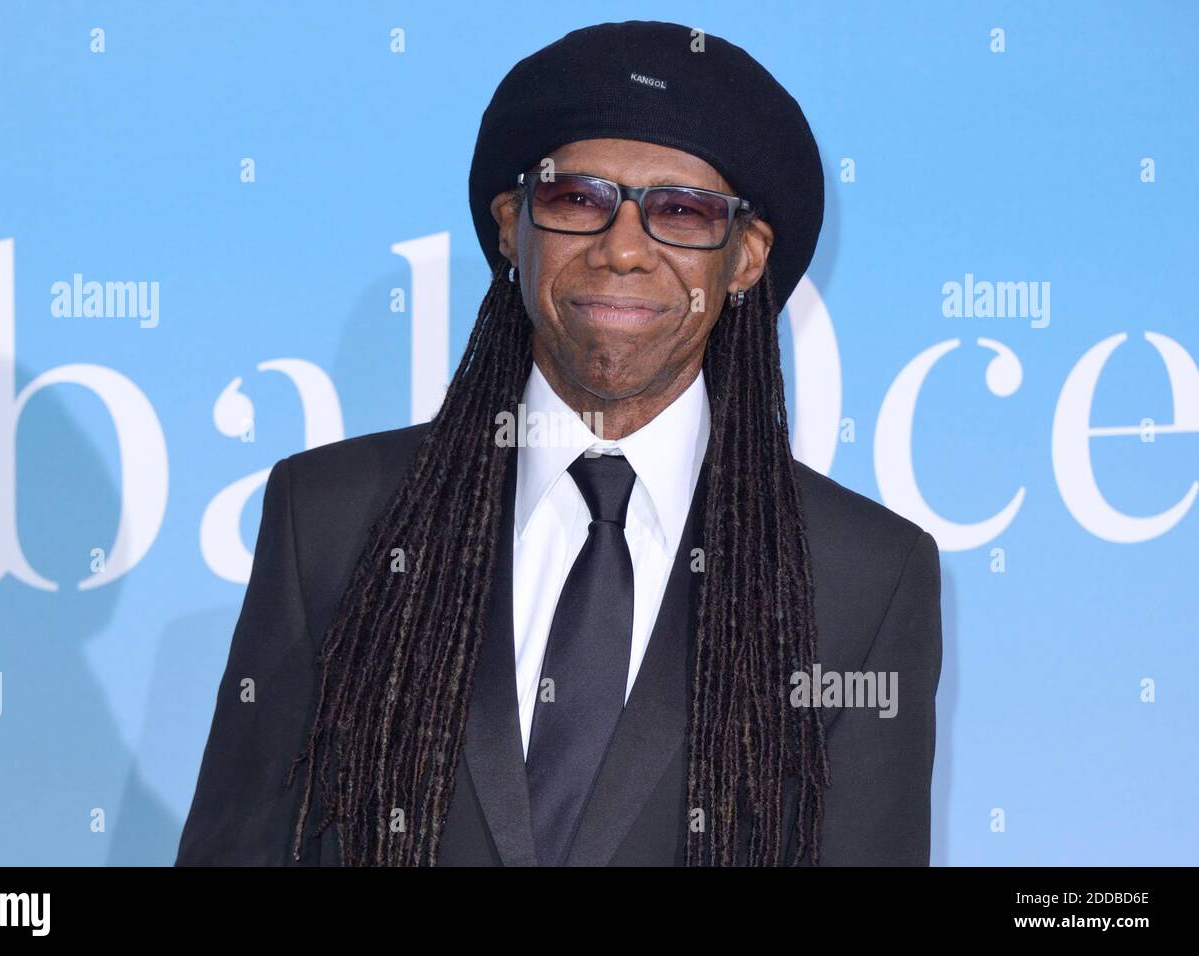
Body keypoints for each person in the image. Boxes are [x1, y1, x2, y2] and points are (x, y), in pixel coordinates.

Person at [176, 19, 942, 867]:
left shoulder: (866, 576)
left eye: (681, 212)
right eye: (577, 198)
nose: (622, 250)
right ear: (513, 225)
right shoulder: (328, 519)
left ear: (747, 259)